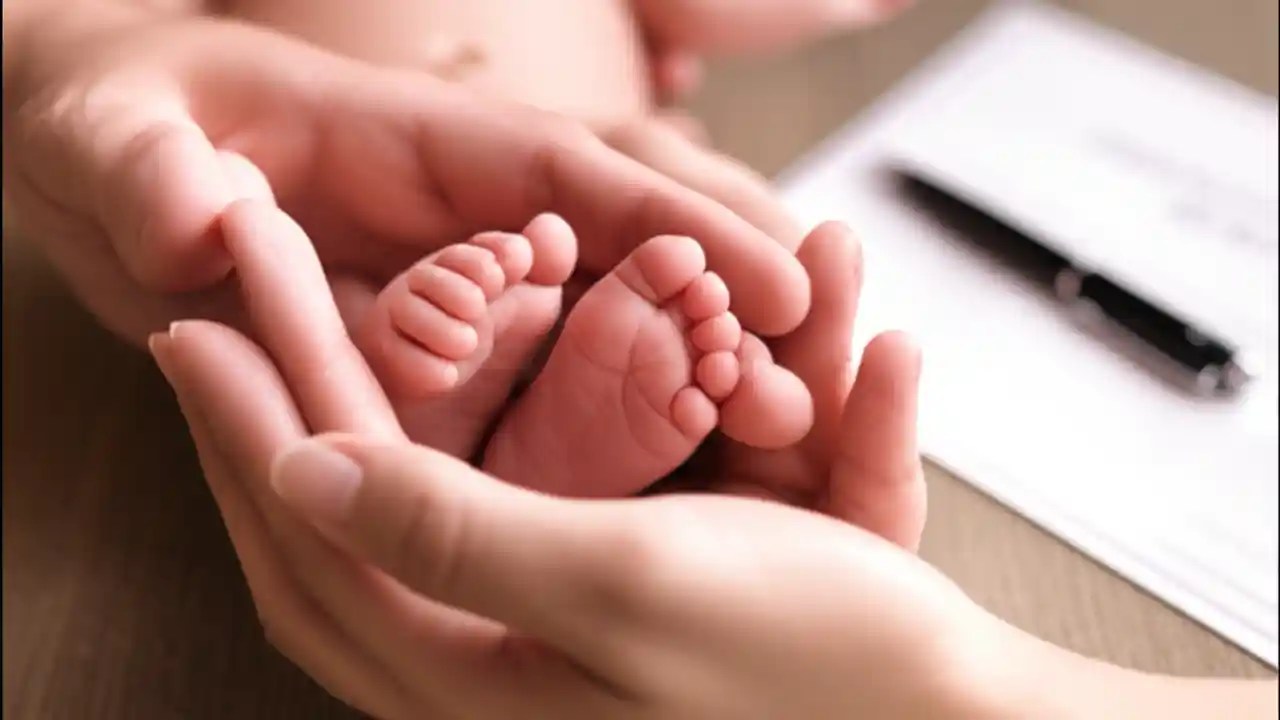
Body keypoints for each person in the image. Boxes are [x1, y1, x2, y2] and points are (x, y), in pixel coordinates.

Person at [153, 200, 1277, 718]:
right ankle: (498, 427)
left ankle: (510, 447)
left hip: (492, 200)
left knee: (682, 310)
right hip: (466, 181)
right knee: (717, 295)